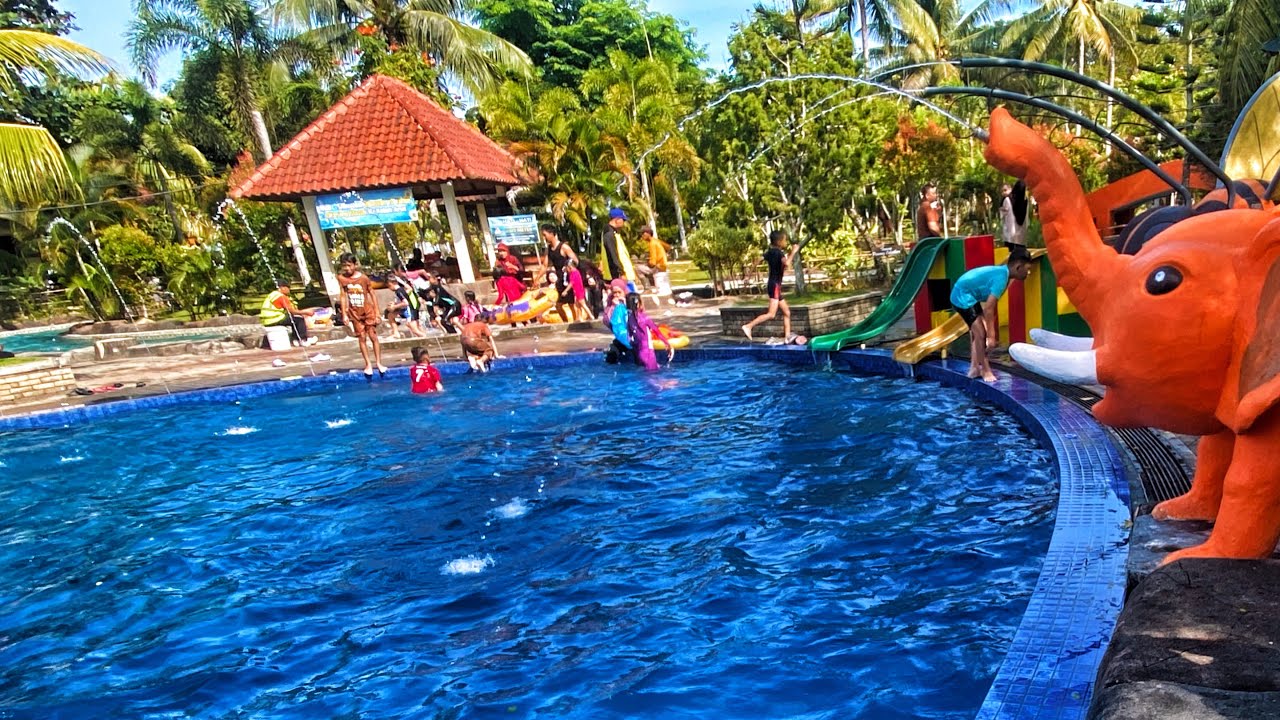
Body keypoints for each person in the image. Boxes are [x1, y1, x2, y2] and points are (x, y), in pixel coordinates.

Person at [951, 247, 1034, 383]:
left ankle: (974, 368)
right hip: (962, 296)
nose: (1029, 272)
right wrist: (991, 335)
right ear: (1019, 267)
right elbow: (989, 308)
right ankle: (985, 370)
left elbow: (989, 308)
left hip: (969, 294)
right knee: (981, 334)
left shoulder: (1004, 275)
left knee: (977, 332)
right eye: (1028, 268)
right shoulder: (1002, 278)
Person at [741, 229, 800, 343]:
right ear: (779, 242)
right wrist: (793, 251)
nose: (786, 242)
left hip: (773, 285)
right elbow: (787, 263)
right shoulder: (779, 253)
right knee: (771, 314)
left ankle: (787, 337)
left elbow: (757, 261)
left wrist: (748, 276)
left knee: (787, 312)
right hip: (775, 286)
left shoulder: (770, 252)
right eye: (785, 240)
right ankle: (748, 326)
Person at [338, 252, 387, 377]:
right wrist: (344, 313)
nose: (347, 269)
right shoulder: (342, 279)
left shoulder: (364, 278)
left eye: (349, 265)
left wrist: (377, 312)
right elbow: (343, 296)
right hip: (354, 313)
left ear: (355, 265)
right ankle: (368, 364)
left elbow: (372, 294)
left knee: (373, 336)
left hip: (367, 311)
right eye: (345, 266)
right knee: (361, 338)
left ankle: (379, 363)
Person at [259, 280, 318, 347]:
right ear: (282, 287)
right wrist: (306, 312)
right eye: (288, 287)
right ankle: (303, 340)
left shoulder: (272, 295)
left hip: (267, 320)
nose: (289, 290)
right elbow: (291, 311)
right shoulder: (281, 297)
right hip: (275, 319)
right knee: (299, 320)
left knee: (293, 319)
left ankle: (296, 340)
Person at [625, 291, 672, 371]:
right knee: (653, 377)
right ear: (638, 304)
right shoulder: (644, 318)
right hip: (648, 353)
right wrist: (668, 344)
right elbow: (657, 331)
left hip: (639, 352)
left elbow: (629, 336)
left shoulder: (630, 318)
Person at [600, 207, 636, 285]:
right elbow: (613, 256)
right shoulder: (609, 234)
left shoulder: (614, 233)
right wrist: (621, 273)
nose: (623, 222)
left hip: (623, 275)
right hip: (617, 276)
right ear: (617, 219)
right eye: (623, 220)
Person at [644, 226, 672, 295]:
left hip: (658, 267)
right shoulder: (656, 240)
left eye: (643, 234)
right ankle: (654, 285)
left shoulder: (652, 243)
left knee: (638, 269)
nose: (642, 236)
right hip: (663, 265)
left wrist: (648, 262)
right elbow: (668, 247)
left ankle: (648, 288)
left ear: (648, 233)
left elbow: (653, 262)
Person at [1000, 181, 1028, 248]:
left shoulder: (1007, 199)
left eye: (1005, 190)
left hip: (1009, 234)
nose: (1004, 192)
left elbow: (1003, 215)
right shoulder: (1023, 200)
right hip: (1020, 235)